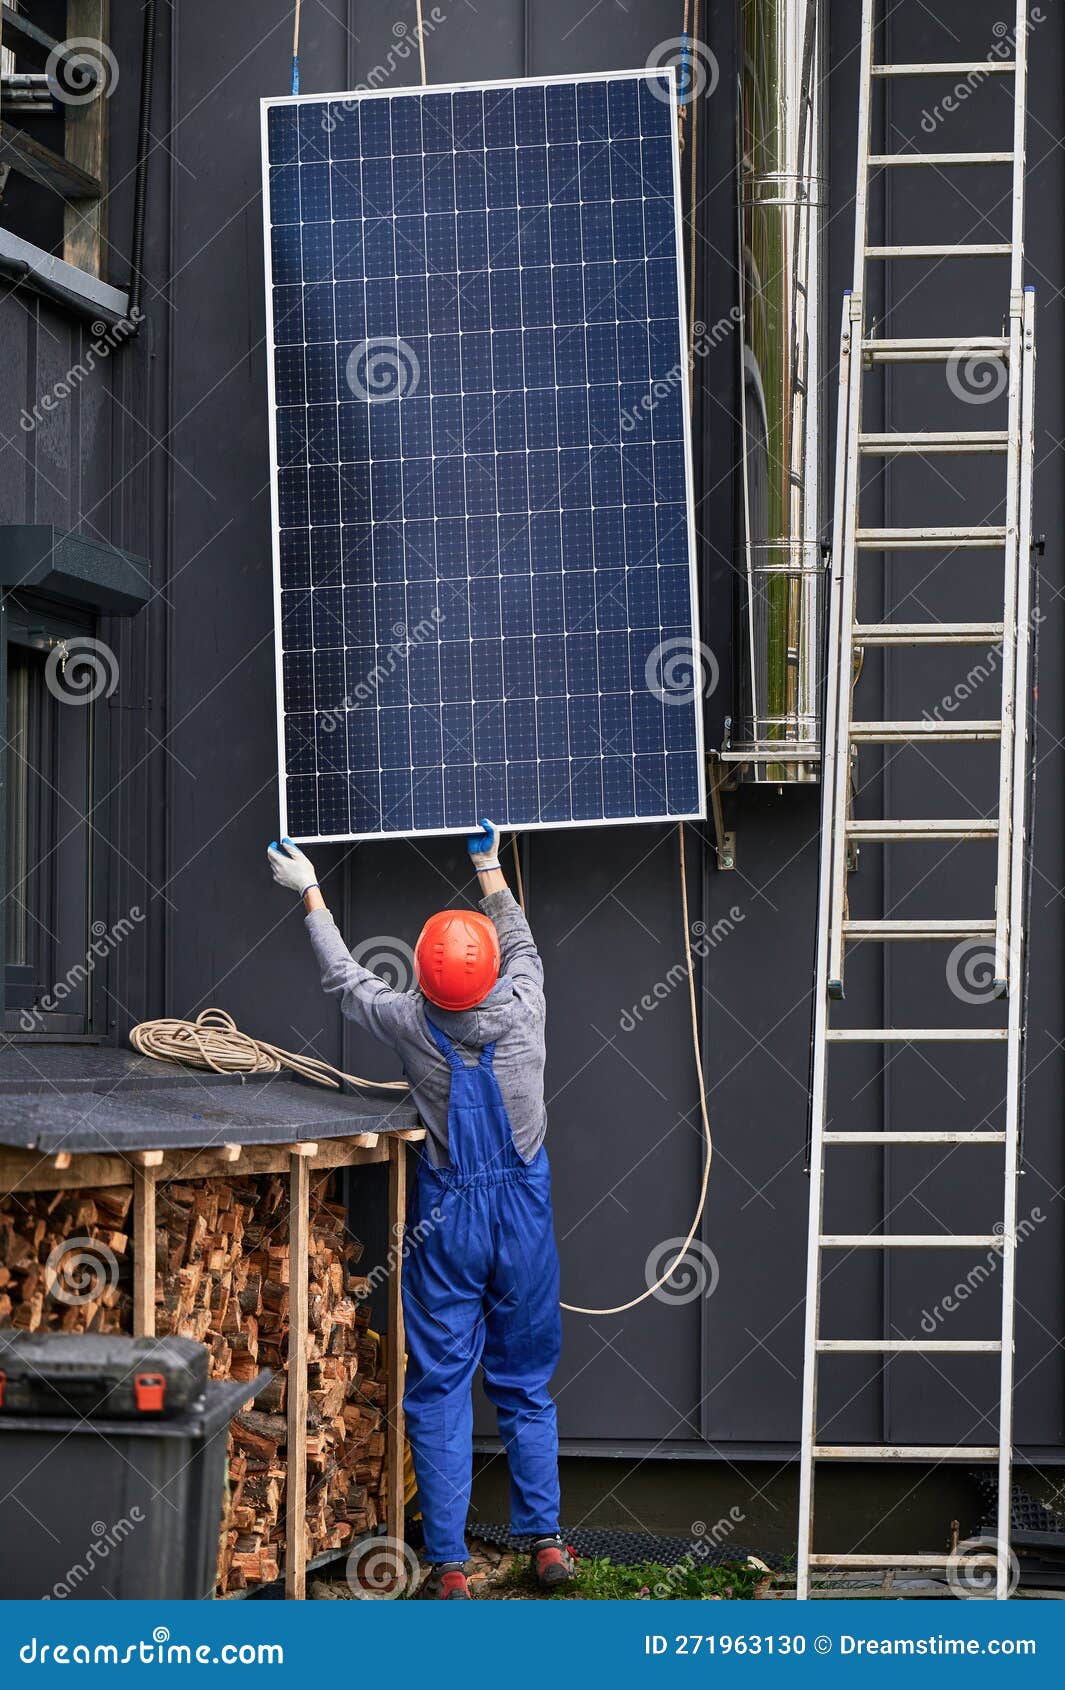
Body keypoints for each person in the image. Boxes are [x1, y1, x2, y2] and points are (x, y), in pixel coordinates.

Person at [268, 821, 574, 1600]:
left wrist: (309, 892)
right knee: (526, 1385)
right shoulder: (527, 1004)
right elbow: (526, 945)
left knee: (439, 1388)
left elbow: (344, 980)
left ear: (427, 981)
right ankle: (544, 1544)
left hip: (450, 1230)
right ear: (494, 973)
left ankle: (449, 1567)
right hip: (523, 1224)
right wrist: (487, 865)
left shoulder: (411, 1022)